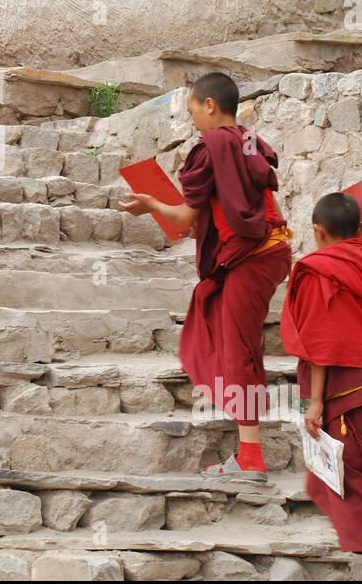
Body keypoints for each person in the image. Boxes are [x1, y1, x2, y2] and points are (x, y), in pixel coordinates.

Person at [119, 72, 292, 481]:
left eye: (194, 111)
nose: (193, 121)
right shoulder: (247, 141)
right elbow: (231, 208)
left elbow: (186, 216)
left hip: (254, 255)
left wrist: (152, 205)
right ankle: (248, 452)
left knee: (240, 348)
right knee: (237, 341)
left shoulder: (214, 145)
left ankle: (250, 457)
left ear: (210, 105)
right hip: (268, 250)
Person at [281, 192, 362, 581]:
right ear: (359, 230)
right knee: (347, 464)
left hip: (349, 387)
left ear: (318, 232)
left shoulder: (314, 269)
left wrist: (315, 402)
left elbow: (320, 343)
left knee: (349, 470)